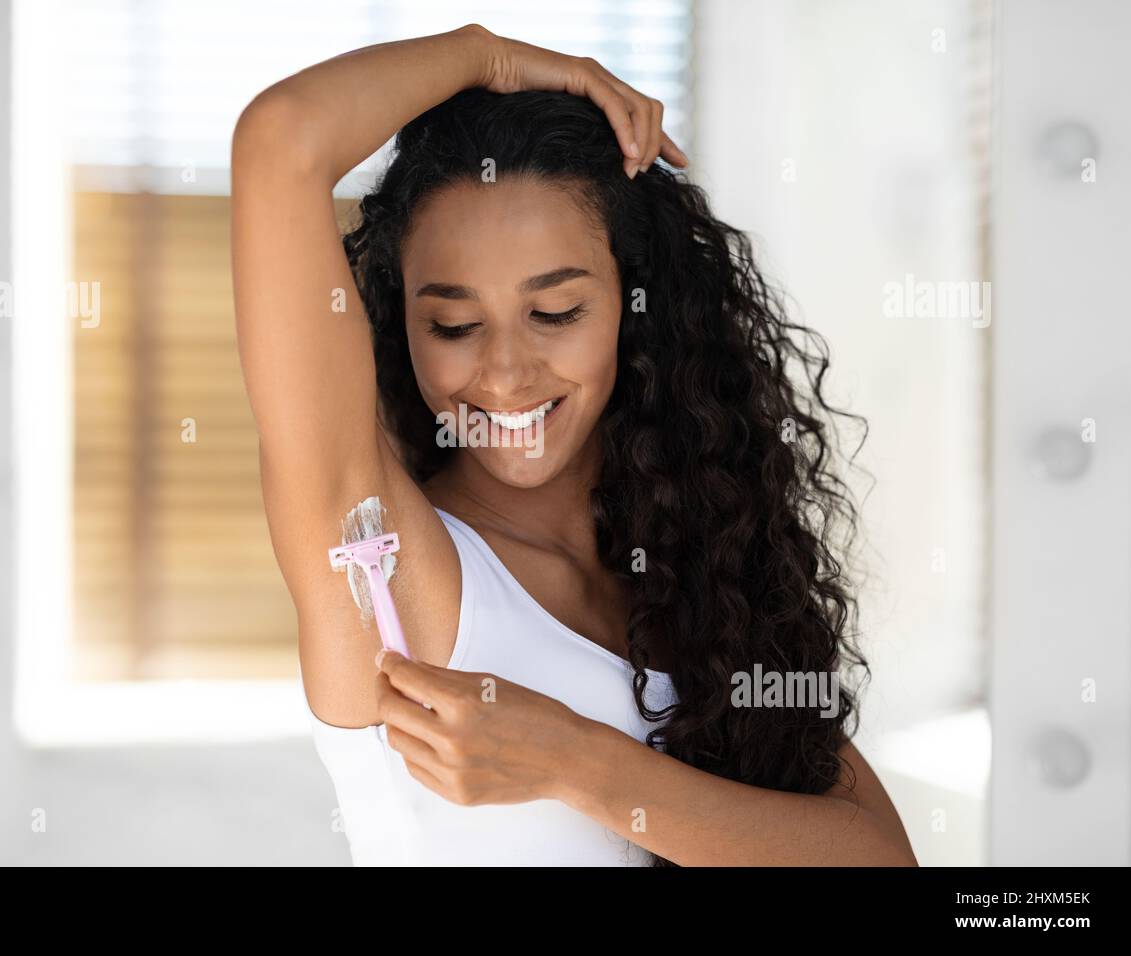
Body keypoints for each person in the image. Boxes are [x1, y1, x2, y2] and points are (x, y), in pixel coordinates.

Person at [231, 23, 916, 866]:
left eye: (555, 313)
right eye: (453, 323)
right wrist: (489, 55)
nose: (507, 373)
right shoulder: (388, 569)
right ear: (397, 324)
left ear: (637, 306)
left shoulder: (698, 568)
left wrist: (575, 761)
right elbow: (280, 140)